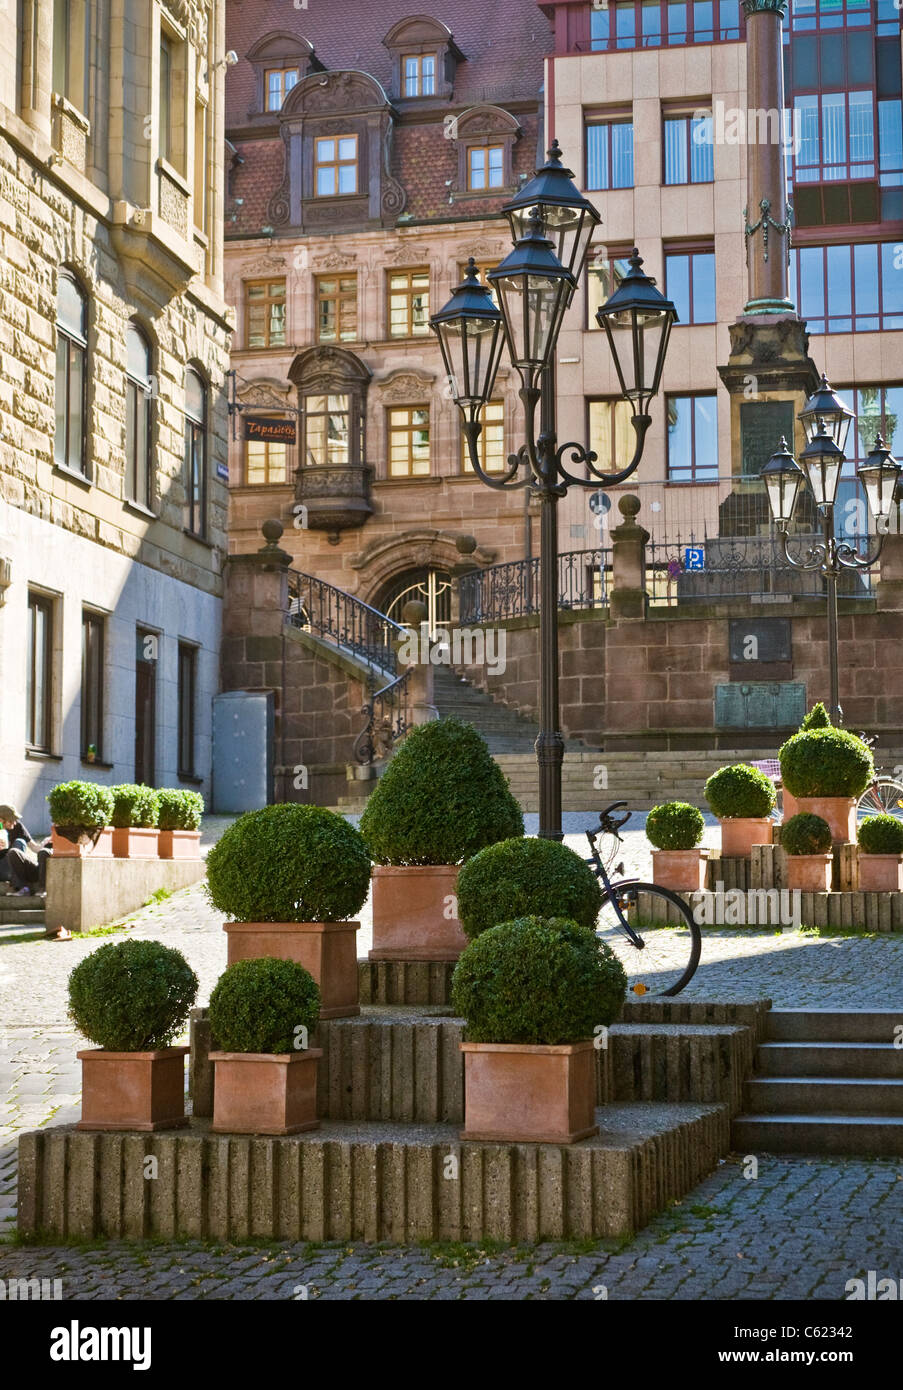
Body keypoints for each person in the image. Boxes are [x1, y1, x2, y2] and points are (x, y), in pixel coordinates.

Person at [0, 805, 50, 896]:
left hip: (12, 869)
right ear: (1, 820)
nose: (14, 823)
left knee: (20, 842)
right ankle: (18, 885)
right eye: (11, 820)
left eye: (15, 820)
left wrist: (44, 843)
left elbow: (34, 848)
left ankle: (19, 886)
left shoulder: (17, 826)